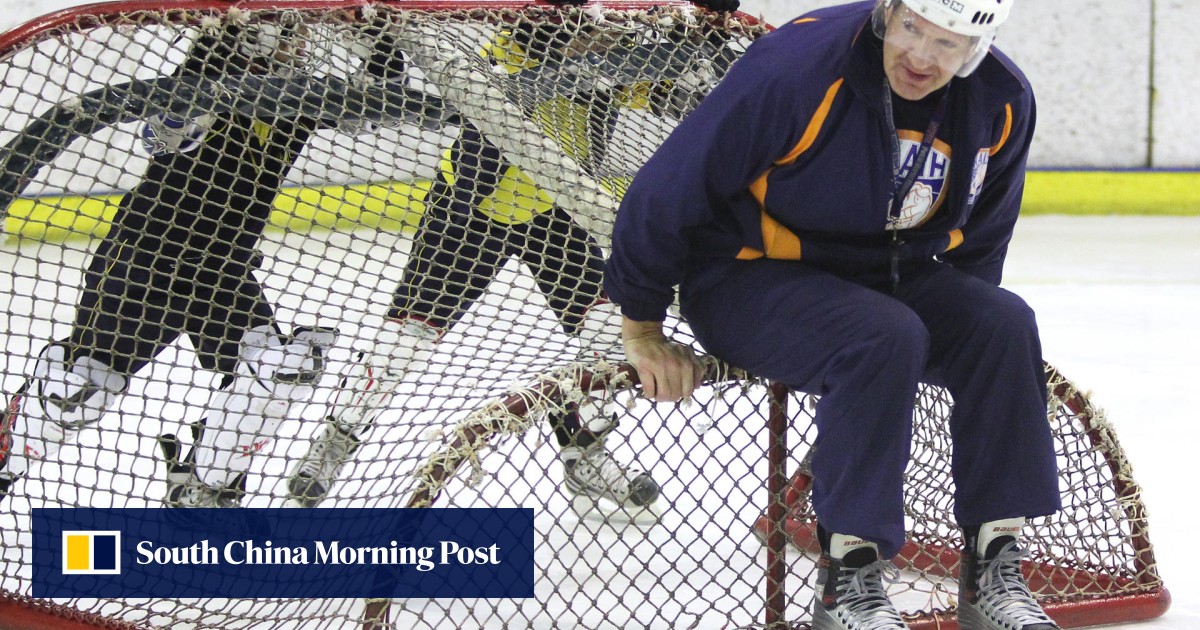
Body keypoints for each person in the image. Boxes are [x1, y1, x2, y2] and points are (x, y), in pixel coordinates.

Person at [605, 0, 1062, 629]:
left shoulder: (1001, 99)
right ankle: (849, 582)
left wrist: (964, 335)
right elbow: (668, 188)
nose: (923, 58)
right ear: (887, 12)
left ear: (976, 49)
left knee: (1003, 323)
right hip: (745, 274)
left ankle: (994, 571)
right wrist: (642, 324)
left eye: (948, 44)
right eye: (912, 29)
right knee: (883, 335)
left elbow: (982, 238)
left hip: (887, 276)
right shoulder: (795, 70)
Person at [284, 0, 739, 520]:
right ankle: (336, 440)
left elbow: (670, 92)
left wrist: (704, 34)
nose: (611, 35)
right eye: (595, 25)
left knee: (608, 338)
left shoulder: (616, 61)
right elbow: (508, 57)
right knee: (402, 343)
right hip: (470, 213)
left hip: (557, 214)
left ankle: (582, 453)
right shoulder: (512, 50)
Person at [0, 24, 337, 509]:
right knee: (79, 391)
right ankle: (5, 467)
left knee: (279, 373)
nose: (292, 39)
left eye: (292, 28)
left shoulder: (303, 94)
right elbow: (167, 129)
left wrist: (376, 33)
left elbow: (380, 88)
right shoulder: (211, 75)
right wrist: (217, 54)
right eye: (273, 26)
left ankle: (202, 489)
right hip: (148, 258)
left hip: (224, 269)